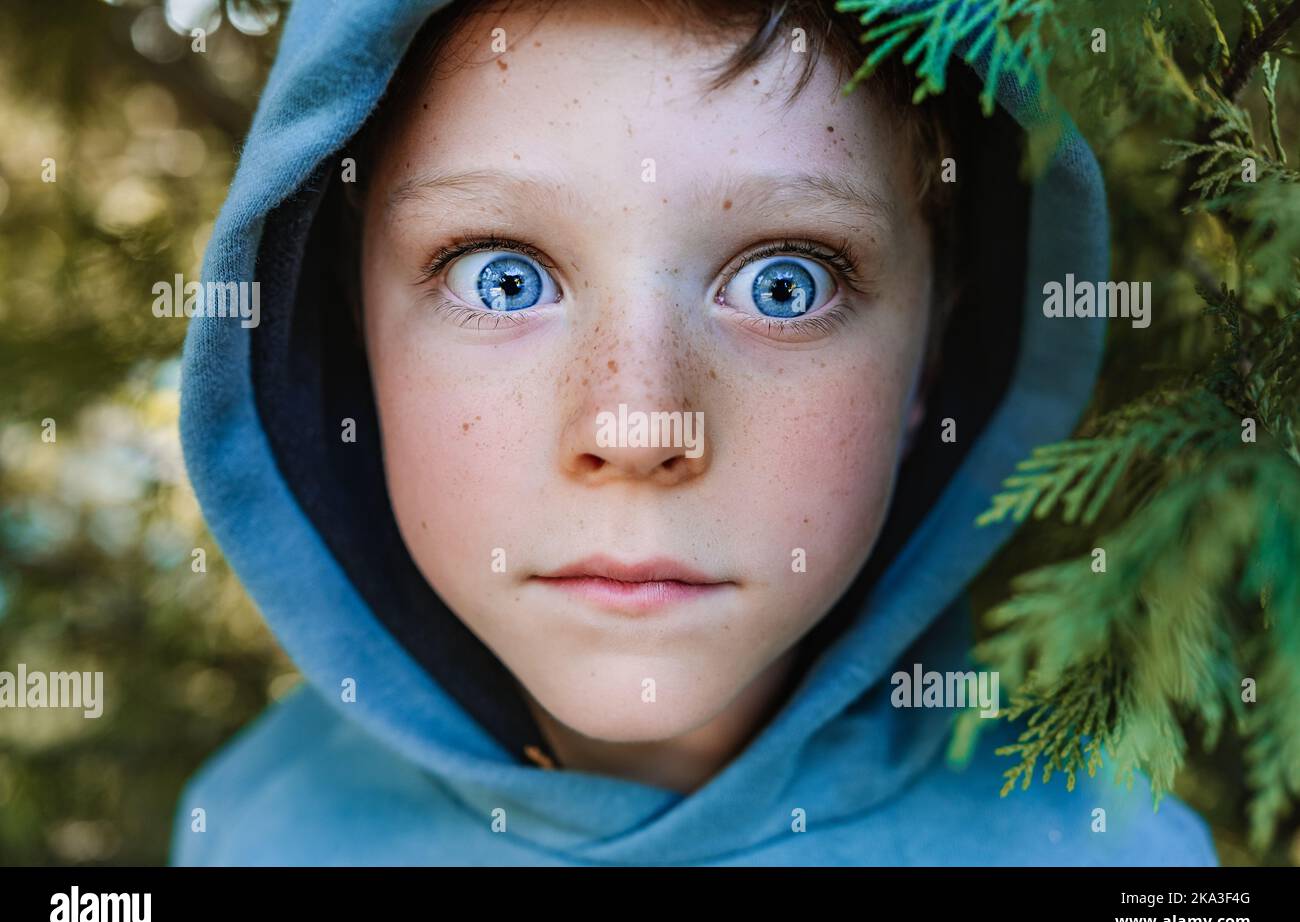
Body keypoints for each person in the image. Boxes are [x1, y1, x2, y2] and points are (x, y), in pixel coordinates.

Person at [170, 0, 1217, 865]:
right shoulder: (253, 826)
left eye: (784, 281)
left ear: (933, 361)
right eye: (502, 276)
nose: (634, 425)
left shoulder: (1113, 860)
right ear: (353, 335)